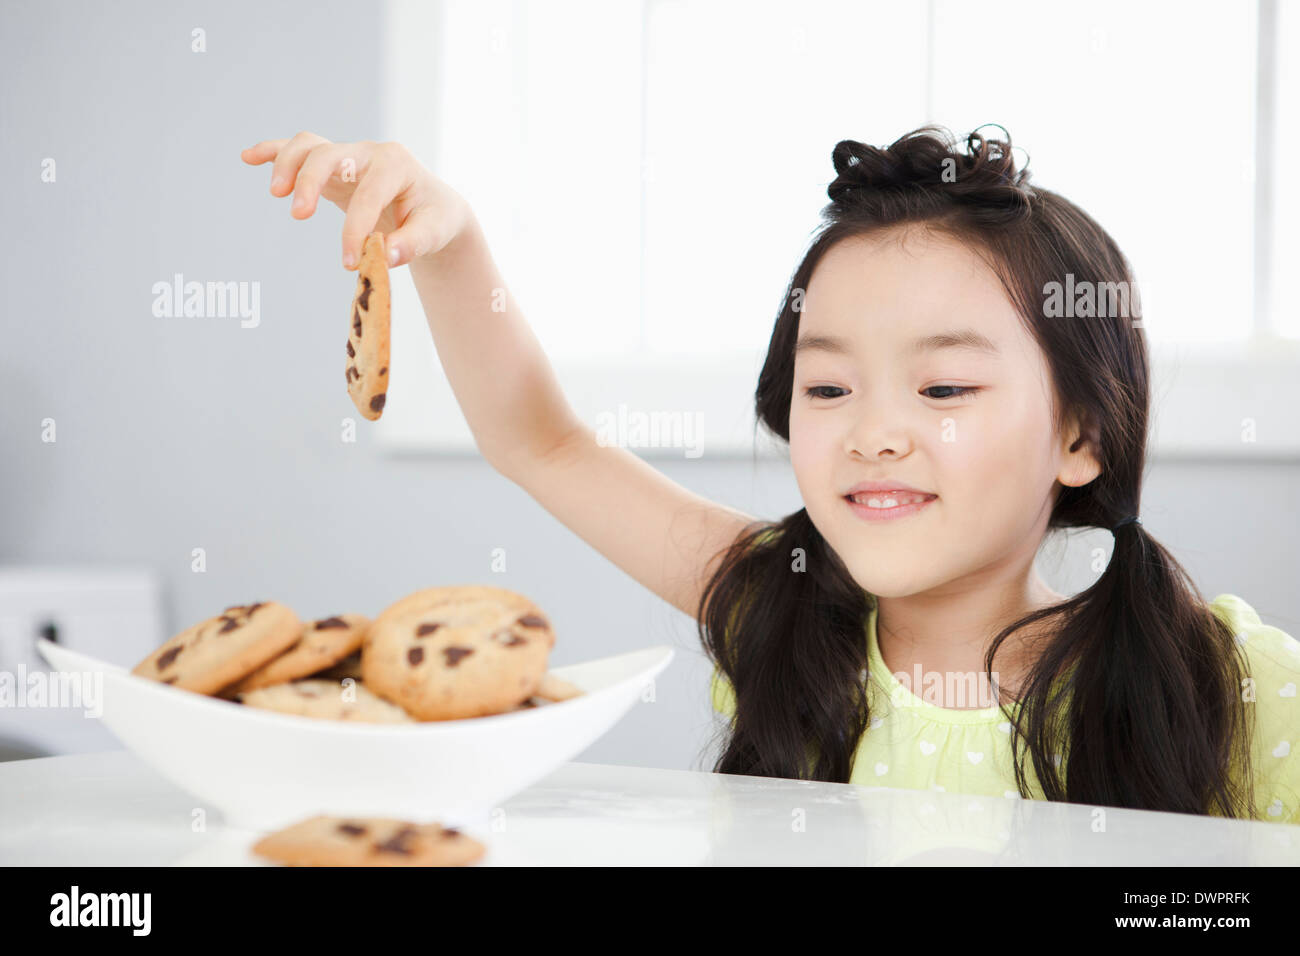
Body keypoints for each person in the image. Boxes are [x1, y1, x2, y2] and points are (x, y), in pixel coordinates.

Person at [240, 126, 1299, 823]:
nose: (872, 433)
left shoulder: (1221, 677)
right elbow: (542, 441)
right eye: (827, 389)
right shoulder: (774, 601)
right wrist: (451, 239)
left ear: (1081, 436)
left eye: (942, 390)